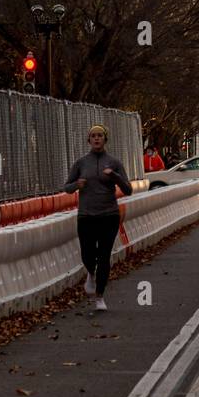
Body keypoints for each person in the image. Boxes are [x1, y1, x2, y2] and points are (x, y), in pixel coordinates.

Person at [65, 124, 132, 312]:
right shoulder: (80, 163)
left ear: (105, 139)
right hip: (86, 215)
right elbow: (66, 187)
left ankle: (100, 296)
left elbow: (128, 190)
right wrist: (76, 184)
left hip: (108, 215)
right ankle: (90, 273)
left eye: (100, 136)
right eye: (93, 136)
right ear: (89, 140)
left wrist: (115, 176)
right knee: (87, 254)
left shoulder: (114, 162)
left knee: (103, 256)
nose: (96, 139)